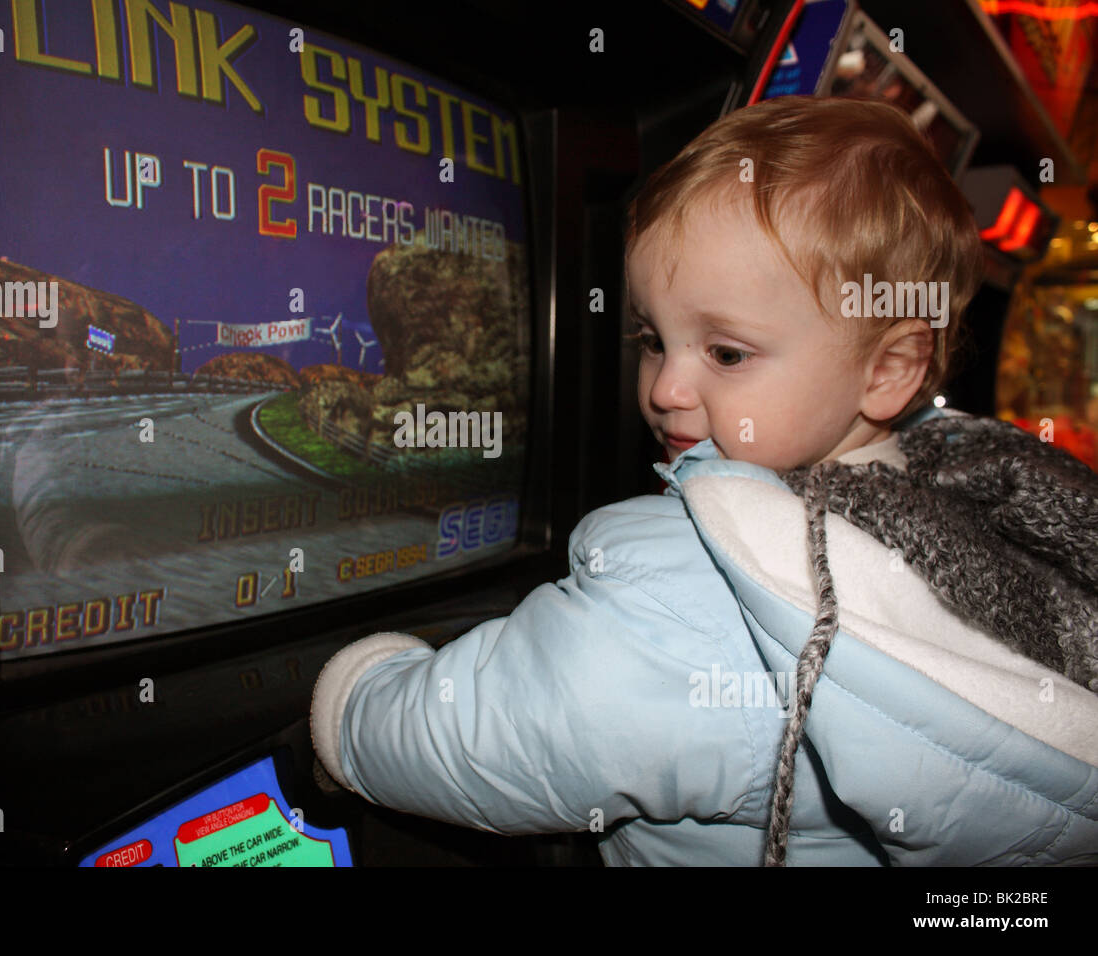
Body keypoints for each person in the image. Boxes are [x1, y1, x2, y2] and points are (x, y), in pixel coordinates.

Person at [309, 96, 1098, 865]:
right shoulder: (942, 499)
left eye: (726, 353)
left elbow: (494, 739)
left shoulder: (713, 584)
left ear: (890, 369)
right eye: (654, 339)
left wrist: (353, 697)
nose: (664, 389)